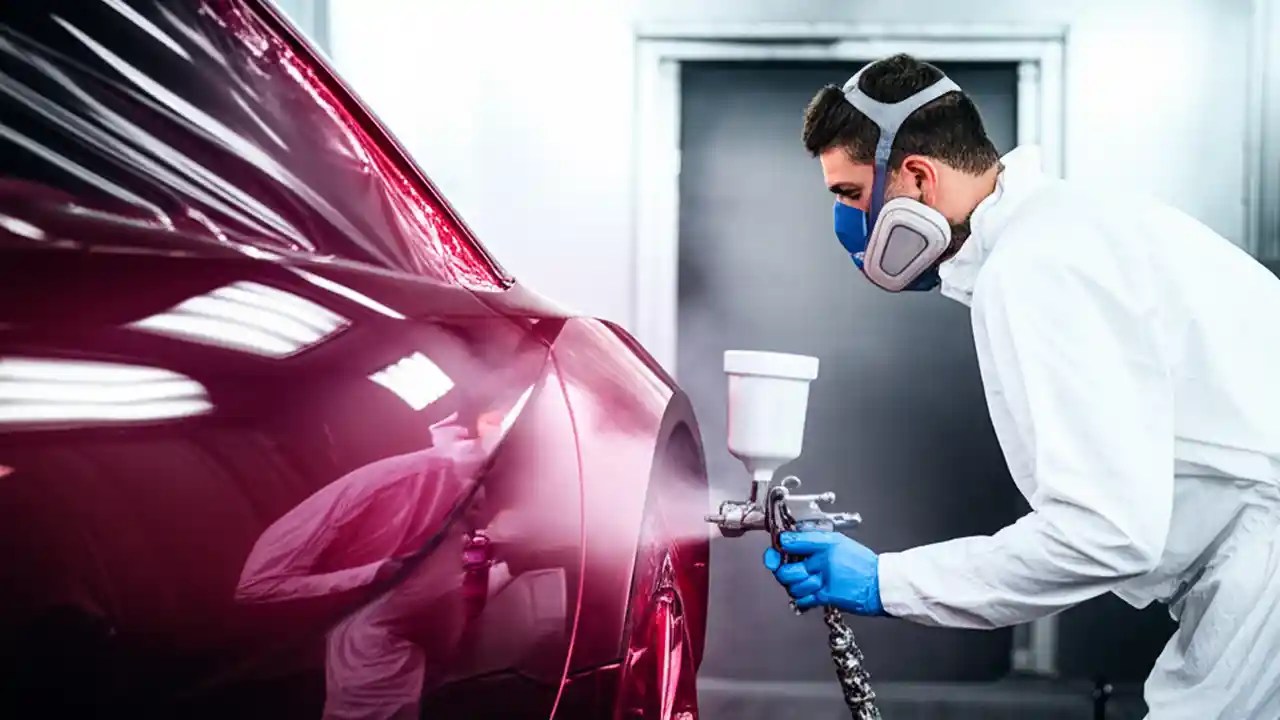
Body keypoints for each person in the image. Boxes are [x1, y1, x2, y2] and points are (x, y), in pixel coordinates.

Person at [763, 53, 1280, 719]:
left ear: (916, 177)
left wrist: (886, 581)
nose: (845, 223)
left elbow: (1106, 532)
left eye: (849, 194)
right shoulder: (1063, 229)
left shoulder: (1037, 265)